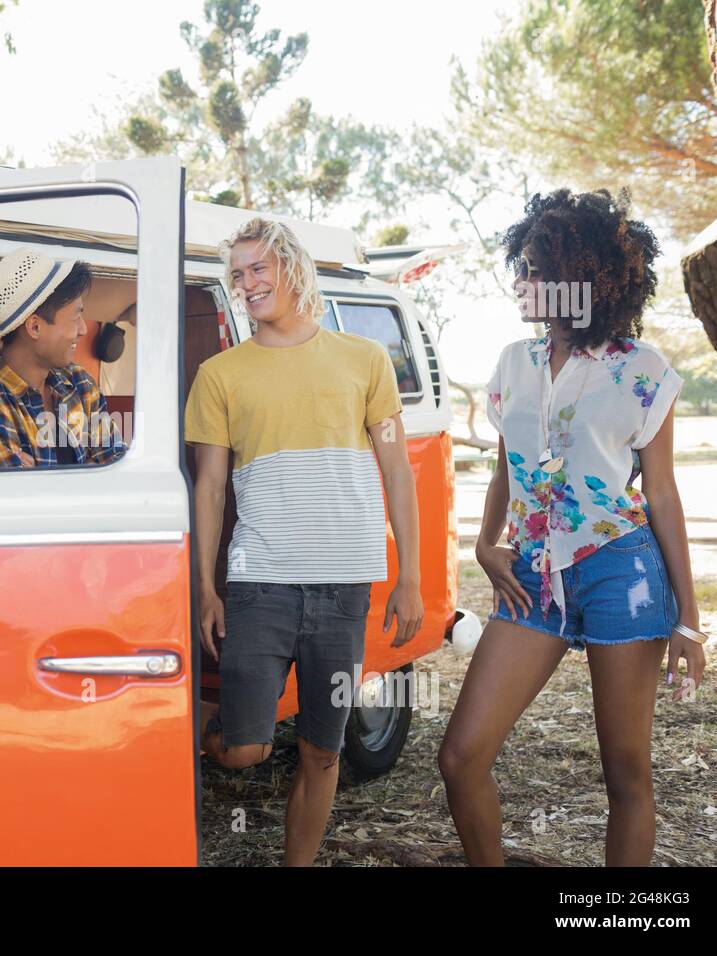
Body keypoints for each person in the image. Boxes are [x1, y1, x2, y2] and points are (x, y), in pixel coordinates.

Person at [438, 188, 709, 866]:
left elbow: (664, 496)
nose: (520, 282)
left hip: (624, 572)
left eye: (534, 269)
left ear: (578, 279)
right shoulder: (513, 364)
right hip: (533, 577)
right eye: (521, 267)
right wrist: (483, 542)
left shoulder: (644, 372)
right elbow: (506, 472)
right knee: (461, 755)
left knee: (625, 771)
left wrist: (690, 621)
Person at [185, 216, 423, 866]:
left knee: (323, 749)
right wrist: (205, 587)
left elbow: (397, 467)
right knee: (243, 749)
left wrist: (410, 578)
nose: (247, 284)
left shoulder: (365, 359)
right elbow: (209, 488)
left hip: (345, 585)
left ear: (292, 266)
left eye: (257, 268)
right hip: (259, 582)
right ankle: (187, 733)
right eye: (237, 276)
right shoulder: (219, 374)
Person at [0, 246, 125, 468]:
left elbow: (118, 466)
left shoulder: (78, 381)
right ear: (34, 327)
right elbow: (22, 494)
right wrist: (91, 468)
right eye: (76, 317)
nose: (83, 330)